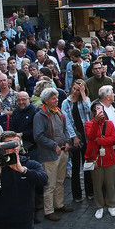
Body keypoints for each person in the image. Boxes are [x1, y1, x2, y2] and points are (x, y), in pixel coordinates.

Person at [0, 149, 48, 229]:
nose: (13, 150)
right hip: (2, 227)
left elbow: (43, 180)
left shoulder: (30, 164)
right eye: (9, 146)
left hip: (25, 225)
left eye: (15, 145)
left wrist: (23, 170)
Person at [32, 89, 75, 221]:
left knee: (60, 181)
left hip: (63, 151)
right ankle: (49, 210)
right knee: (50, 183)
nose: (56, 100)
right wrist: (53, 145)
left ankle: (59, 204)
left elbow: (65, 129)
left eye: (56, 98)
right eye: (53, 98)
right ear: (46, 100)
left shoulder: (59, 112)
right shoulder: (40, 116)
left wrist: (67, 141)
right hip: (50, 154)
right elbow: (38, 136)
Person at [84, 100, 115, 219]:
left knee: (110, 183)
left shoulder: (109, 124)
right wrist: (96, 123)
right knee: (97, 185)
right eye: (97, 110)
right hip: (96, 159)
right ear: (93, 112)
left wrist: (99, 141)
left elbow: (113, 139)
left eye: (101, 110)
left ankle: (111, 204)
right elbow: (90, 136)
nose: (100, 112)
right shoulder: (88, 124)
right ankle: (99, 206)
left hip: (109, 157)